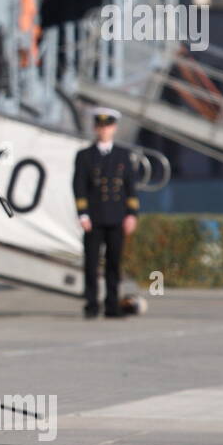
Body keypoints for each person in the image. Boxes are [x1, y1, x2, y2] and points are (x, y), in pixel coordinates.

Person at [73, 107, 139, 318]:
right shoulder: (85, 156)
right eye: (100, 126)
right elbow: (79, 186)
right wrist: (82, 214)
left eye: (108, 126)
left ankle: (112, 305)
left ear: (114, 128)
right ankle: (91, 304)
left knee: (114, 263)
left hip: (117, 217)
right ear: (95, 128)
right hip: (94, 217)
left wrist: (132, 214)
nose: (104, 130)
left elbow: (130, 187)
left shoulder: (123, 155)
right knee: (91, 264)